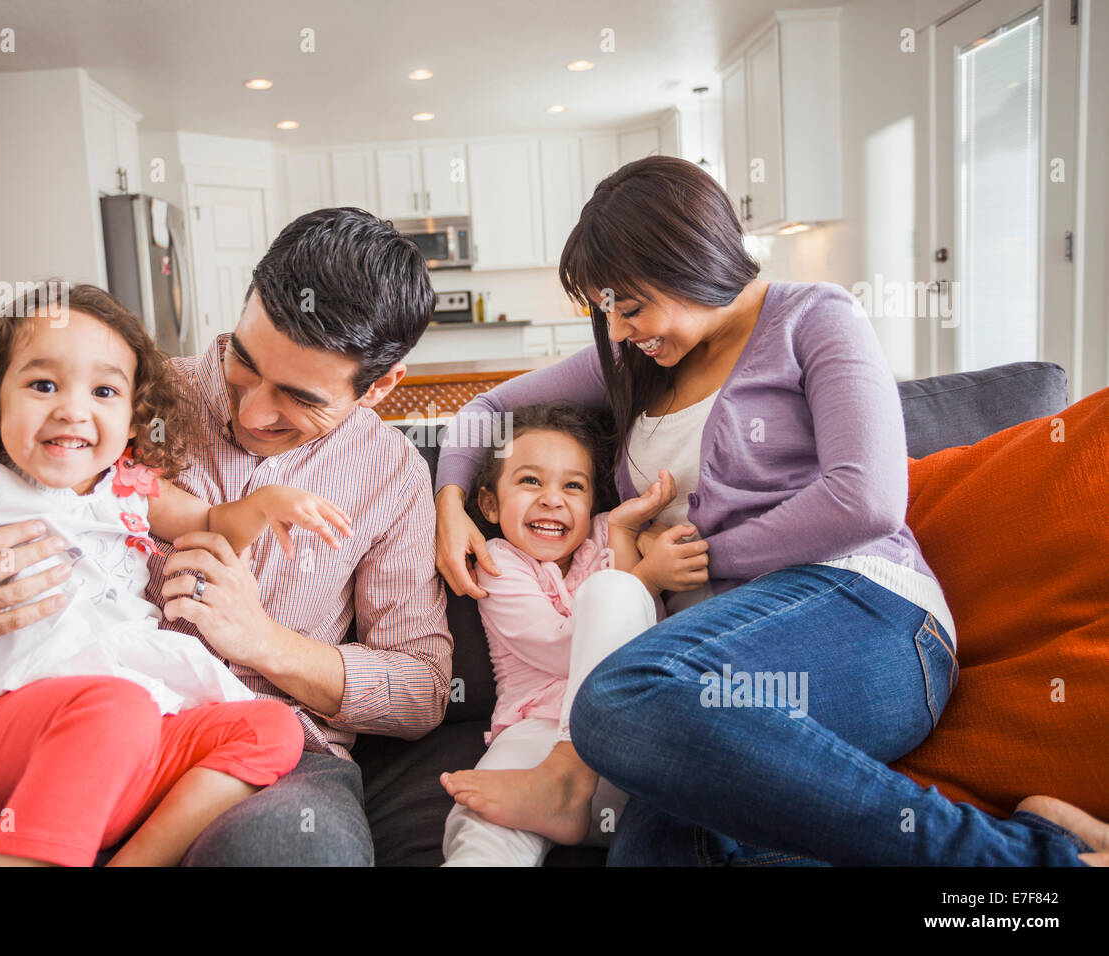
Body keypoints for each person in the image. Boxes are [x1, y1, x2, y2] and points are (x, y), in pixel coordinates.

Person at [433, 155, 1107, 866]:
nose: (623, 332)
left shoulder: (814, 317)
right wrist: (451, 498)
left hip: (868, 617)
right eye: (610, 315)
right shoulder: (634, 364)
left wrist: (700, 559)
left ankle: (1027, 865)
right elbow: (487, 408)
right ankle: (1056, 845)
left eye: (630, 308)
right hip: (708, 677)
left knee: (617, 697)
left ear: (686, 259)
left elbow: (867, 498)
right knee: (652, 853)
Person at [0, 163, 451, 865]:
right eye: (244, 362)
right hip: (61, 745)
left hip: (245, 759)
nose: (254, 410)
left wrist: (261, 640)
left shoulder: (391, 474)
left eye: (299, 397)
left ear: (382, 385)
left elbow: (420, 691)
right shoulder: (118, 400)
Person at [439, 401, 699, 865]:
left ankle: (577, 793)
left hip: (624, 739)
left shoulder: (604, 536)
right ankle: (546, 803)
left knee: (614, 590)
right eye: (530, 481)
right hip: (534, 737)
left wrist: (622, 530)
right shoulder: (500, 563)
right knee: (481, 822)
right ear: (489, 504)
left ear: (592, 503)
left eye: (572, 486)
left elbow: (636, 631)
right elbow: (567, 650)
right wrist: (648, 577)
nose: (552, 499)